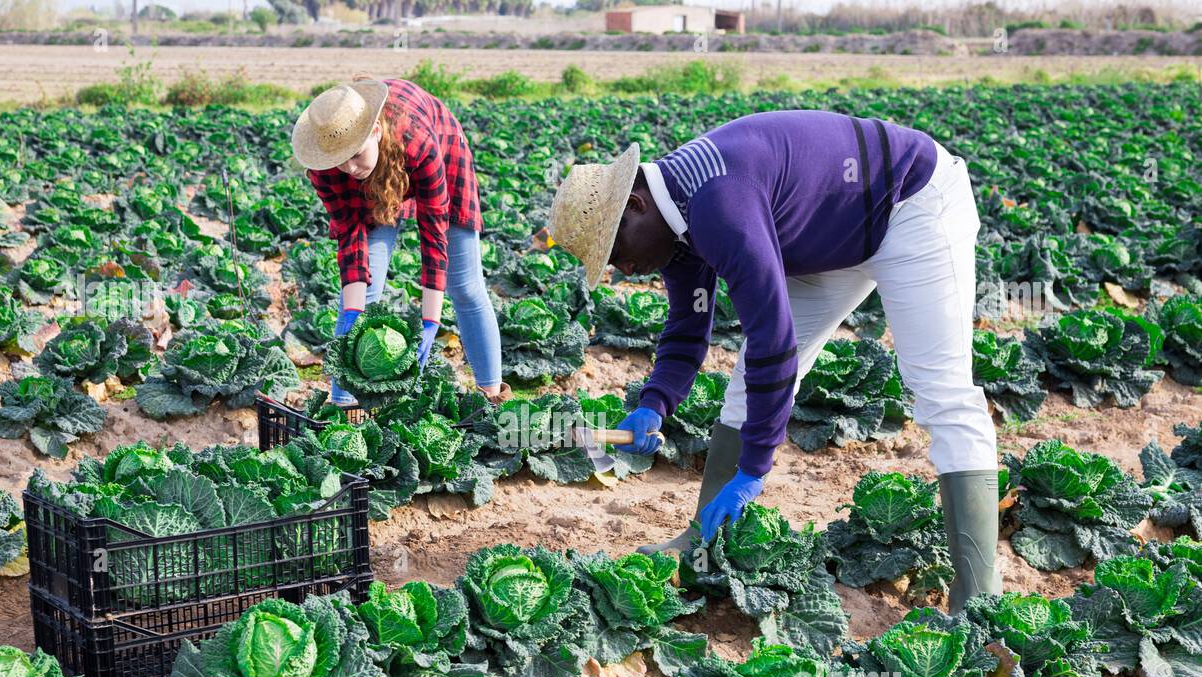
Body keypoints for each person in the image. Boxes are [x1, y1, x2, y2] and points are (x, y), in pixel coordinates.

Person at [548, 110, 1000, 612]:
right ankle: (705, 542)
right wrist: (653, 404)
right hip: (836, 233)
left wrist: (754, 470)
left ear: (635, 205)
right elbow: (686, 328)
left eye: (616, 253)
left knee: (941, 391)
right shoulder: (674, 224)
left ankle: (979, 599)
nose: (625, 269)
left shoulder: (718, 203)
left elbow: (774, 339)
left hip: (911, 202)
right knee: (747, 379)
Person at [292, 77, 504, 405]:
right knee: (366, 292)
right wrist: (352, 316)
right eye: (340, 159)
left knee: (464, 286)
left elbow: (434, 235)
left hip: (443, 151)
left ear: (374, 131)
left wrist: (431, 322)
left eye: (355, 154)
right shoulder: (328, 168)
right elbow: (351, 237)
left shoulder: (419, 141)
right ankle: (344, 403)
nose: (349, 167)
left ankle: (491, 395)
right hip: (384, 165)